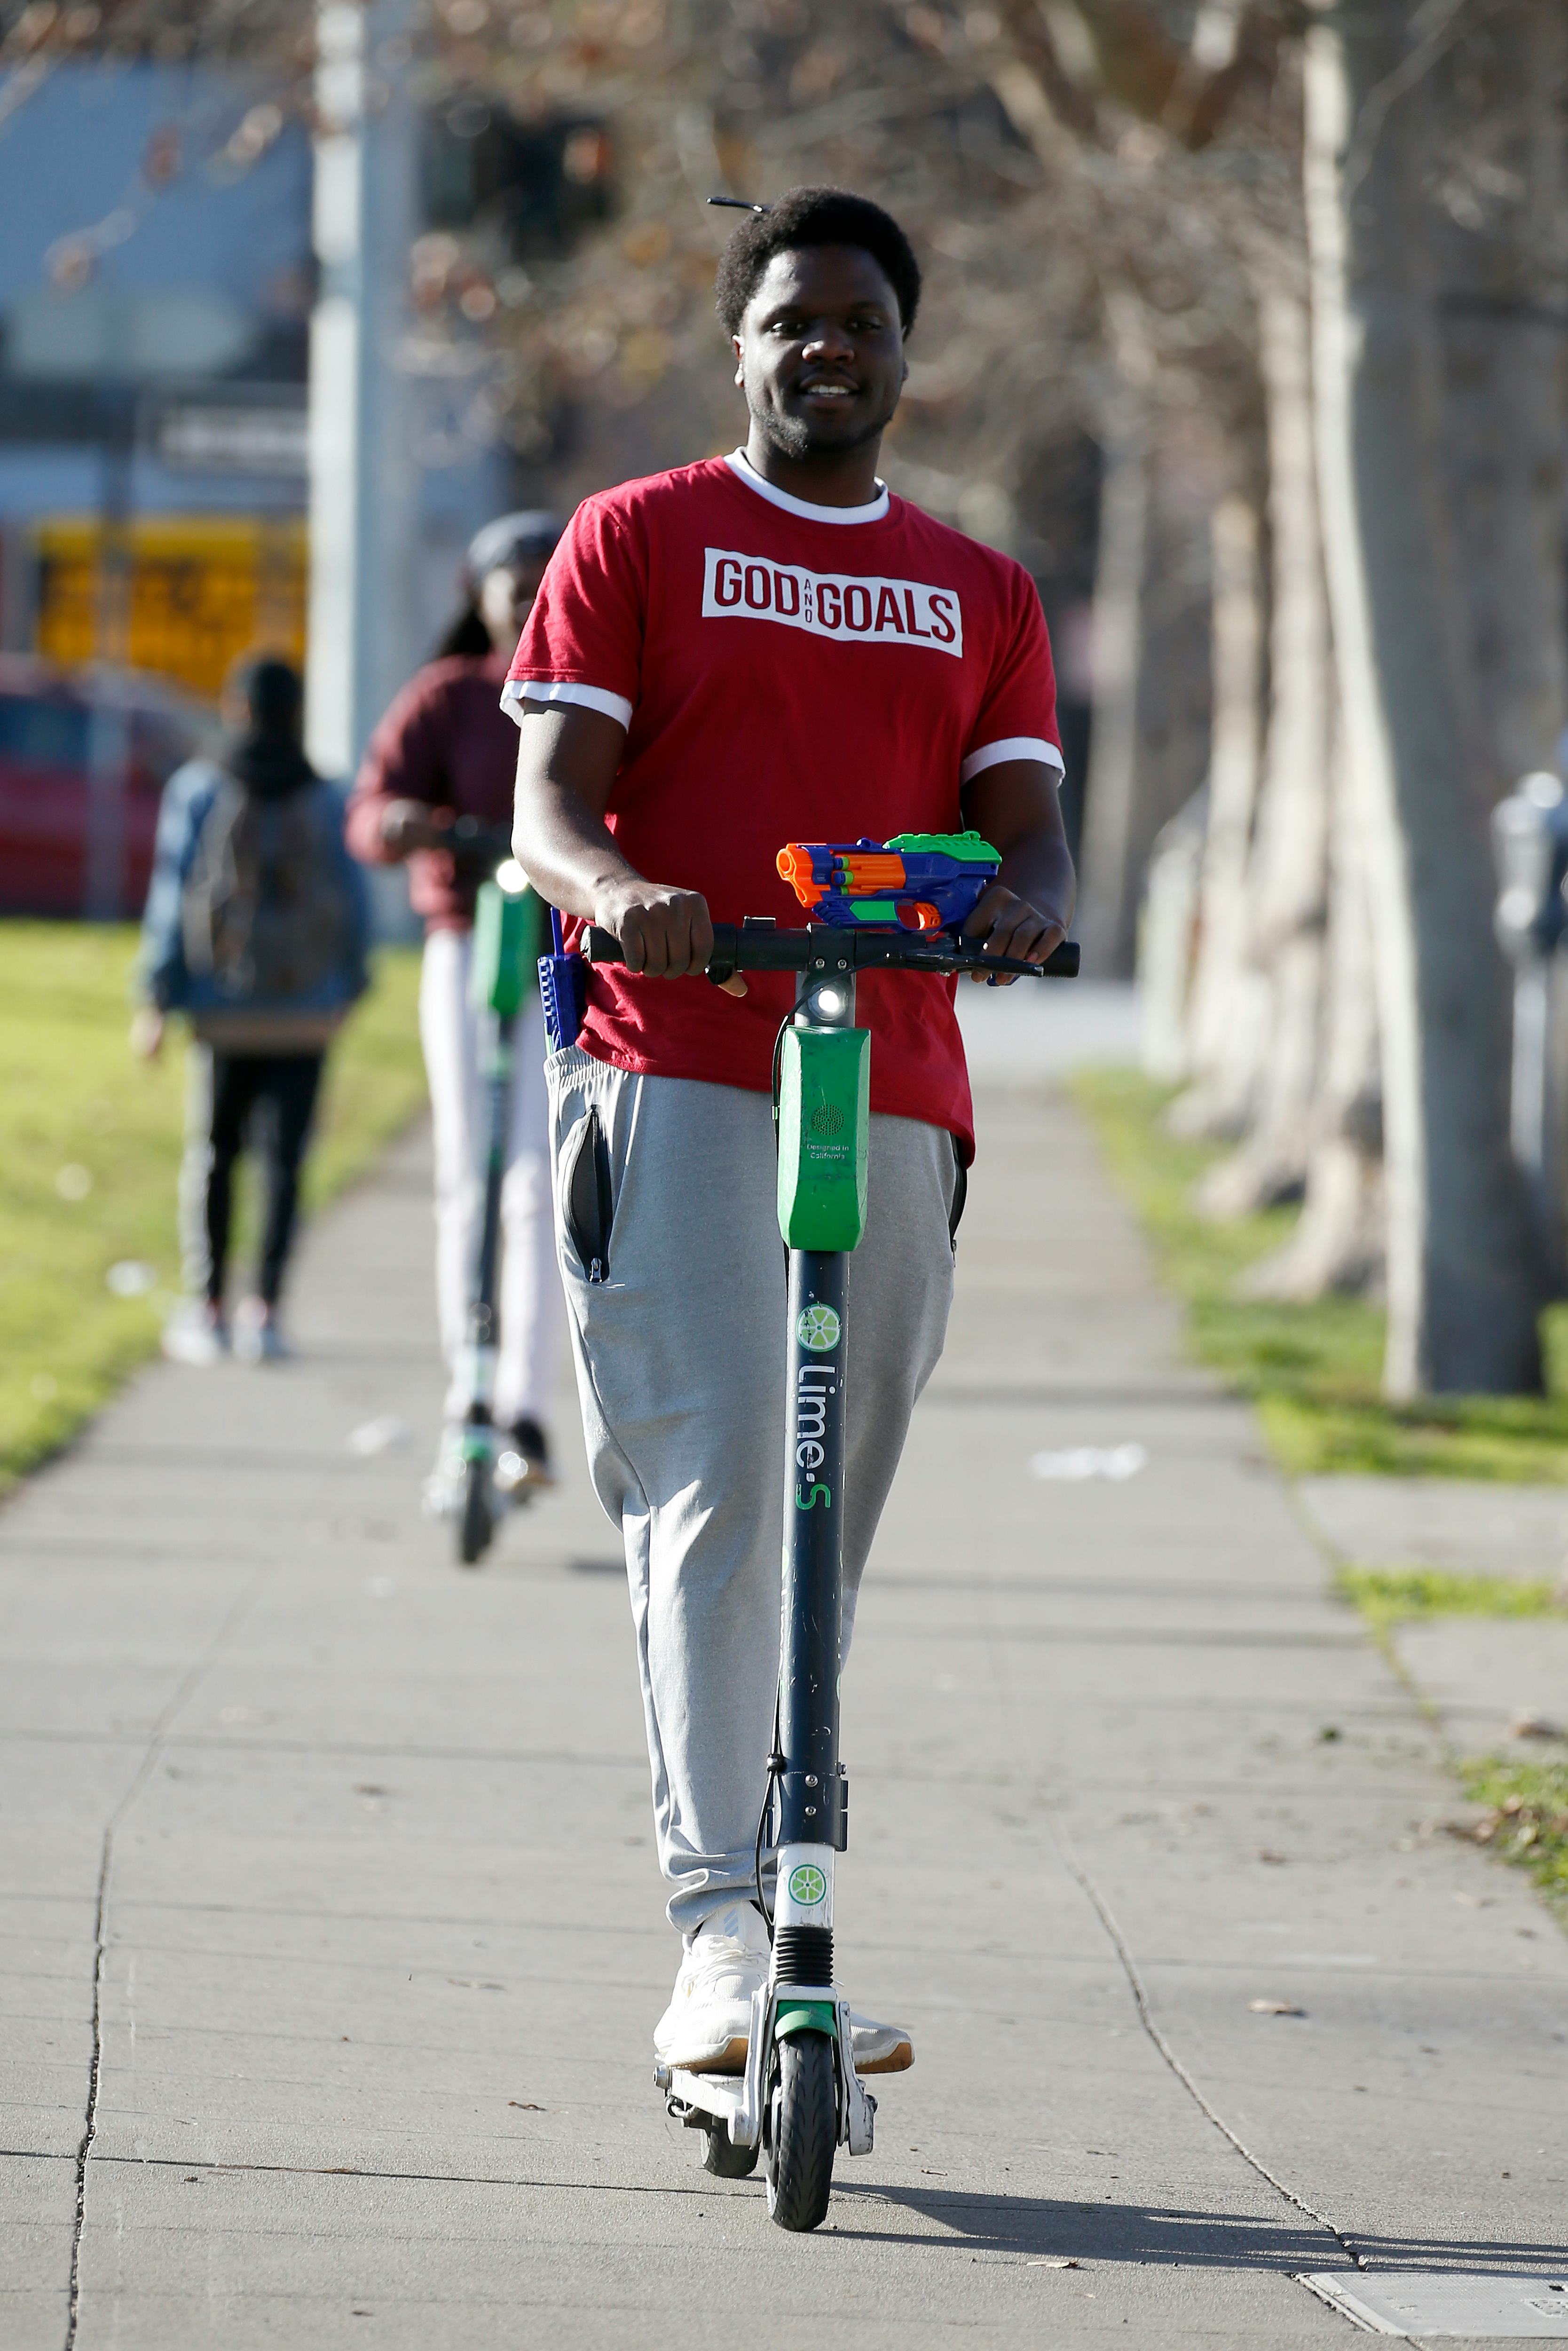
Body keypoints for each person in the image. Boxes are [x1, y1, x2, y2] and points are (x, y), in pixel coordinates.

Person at [507, 188, 1075, 2075]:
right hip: (676, 1054)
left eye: (860, 322)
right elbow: (550, 810)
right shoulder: (639, 538)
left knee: (823, 1520)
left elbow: (1030, 824)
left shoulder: (978, 591)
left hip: (893, 1082)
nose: (825, 348)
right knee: (726, 1482)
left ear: (909, 355)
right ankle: (713, 1942)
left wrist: (1017, 903)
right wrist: (616, 895)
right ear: (739, 346)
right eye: (790, 320)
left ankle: (795, 1907)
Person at [347, 513, 565, 1495]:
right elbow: (371, 807)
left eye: (542, 575)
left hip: (568, 956)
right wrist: (402, 823)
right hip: (468, 941)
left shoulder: (590, 693)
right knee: (466, 1180)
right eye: (508, 579)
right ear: (476, 595)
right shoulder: (448, 698)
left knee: (538, 1188)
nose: (524, 593)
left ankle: (526, 1404)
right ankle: (466, 1396)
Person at [134, 655, 368, 1365]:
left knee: (214, 1155)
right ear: (296, 713)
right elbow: (352, 904)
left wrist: (157, 997)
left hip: (221, 1008)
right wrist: (346, 991)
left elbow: (173, 899)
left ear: (236, 709)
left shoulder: (201, 788)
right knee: (286, 1163)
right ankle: (265, 1311)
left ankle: (207, 1308)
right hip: (304, 1012)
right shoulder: (327, 796)